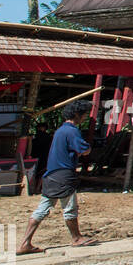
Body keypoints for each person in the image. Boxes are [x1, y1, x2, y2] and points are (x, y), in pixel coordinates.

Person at [17, 100, 96, 254]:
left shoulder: (60, 130)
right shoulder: (72, 131)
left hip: (51, 174)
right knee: (70, 208)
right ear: (77, 114)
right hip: (64, 175)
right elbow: (84, 149)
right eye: (84, 114)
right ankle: (76, 238)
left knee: (42, 209)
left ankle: (24, 243)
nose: (85, 117)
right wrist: (88, 148)